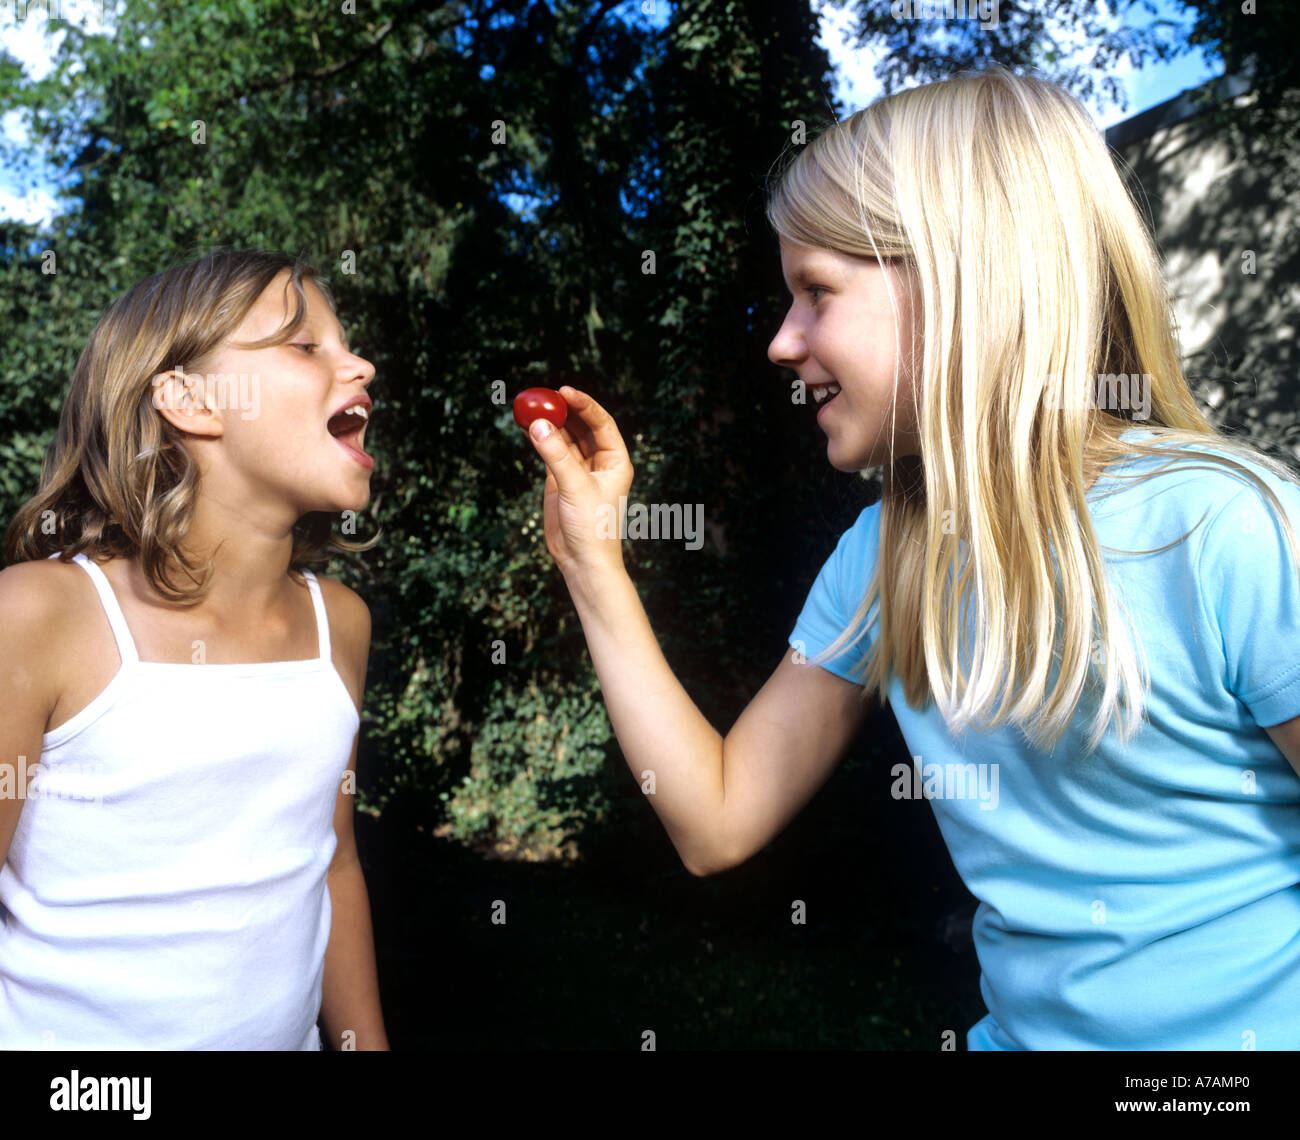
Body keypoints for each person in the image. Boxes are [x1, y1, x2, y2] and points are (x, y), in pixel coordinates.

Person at [521, 68, 1300, 1050]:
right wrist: (595, 565)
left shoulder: (1224, 528)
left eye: (816, 292)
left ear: (965, 284)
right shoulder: (881, 556)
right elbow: (716, 820)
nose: (781, 342)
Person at [0, 249, 389, 1050]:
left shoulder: (339, 626)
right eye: (304, 345)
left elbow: (333, 864)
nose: (360, 364)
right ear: (189, 400)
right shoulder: (40, 615)